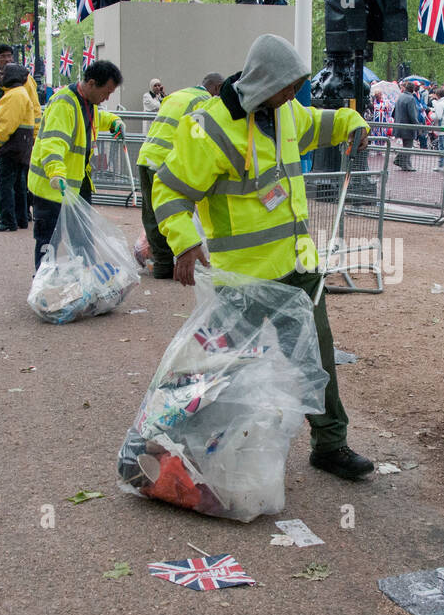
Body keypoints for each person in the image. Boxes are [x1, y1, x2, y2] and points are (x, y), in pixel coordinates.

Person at [152, 33, 374, 480]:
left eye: (298, 85)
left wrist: (353, 123)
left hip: (300, 267)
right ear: (264, 81)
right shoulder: (210, 127)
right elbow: (170, 188)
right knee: (218, 365)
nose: (295, 93)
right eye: (289, 84)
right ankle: (174, 438)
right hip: (244, 278)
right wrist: (184, 241)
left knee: (317, 359)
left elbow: (318, 123)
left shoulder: (287, 110)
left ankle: (331, 445)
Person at [27, 59, 124, 270]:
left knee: (81, 237)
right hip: (53, 187)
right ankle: (44, 286)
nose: (107, 97)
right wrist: (56, 173)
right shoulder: (64, 104)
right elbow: (53, 143)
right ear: (91, 83)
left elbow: (97, 117)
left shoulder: (88, 103)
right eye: (106, 92)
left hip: (76, 184)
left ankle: (86, 279)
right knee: (49, 241)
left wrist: (114, 121)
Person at [136, 71, 224, 278]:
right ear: (217, 88)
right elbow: (199, 137)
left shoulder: (176, 95)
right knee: (175, 210)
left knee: (152, 213)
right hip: (167, 161)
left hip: (147, 155)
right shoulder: (205, 102)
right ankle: (180, 263)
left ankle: (162, 265)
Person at [0, 64, 36, 233]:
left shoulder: (13, 95)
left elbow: (6, 125)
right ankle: (21, 218)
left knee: (5, 182)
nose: (0, 76)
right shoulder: (20, 93)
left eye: (3, 73)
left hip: (12, 146)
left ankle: (8, 220)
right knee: (19, 184)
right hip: (22, 144)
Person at [391, 80, 422, 171]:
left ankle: (403, 162)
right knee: (408, 145)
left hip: (399, 124)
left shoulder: (400, 97)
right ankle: (404, 164)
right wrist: (417, 126)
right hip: (408, 126)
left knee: (407, 145)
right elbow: (412, 115)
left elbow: (393, 112)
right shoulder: (411, 99)